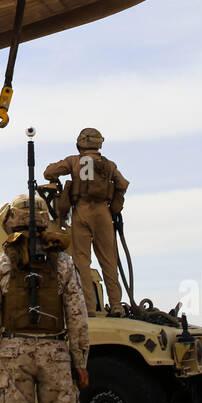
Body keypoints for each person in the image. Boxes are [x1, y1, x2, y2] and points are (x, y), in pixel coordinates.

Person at [0, 193, 89, 403]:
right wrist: (80, 361)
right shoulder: (64, 262)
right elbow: (77, 317)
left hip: (13, 354)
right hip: (56, 353)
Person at [43, 128, 130, 315]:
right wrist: (115, 207)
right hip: (103, 213)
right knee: (109, 260)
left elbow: (48, 172)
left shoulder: (73, 161)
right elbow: (122, 184)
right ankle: (116, 305)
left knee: (82, 260)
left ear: (80, 143)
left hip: (81, 211)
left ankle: (88, 307)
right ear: (99, 143)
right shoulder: (109, 165)